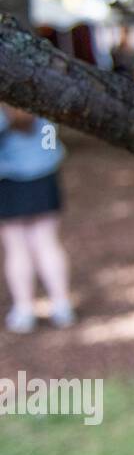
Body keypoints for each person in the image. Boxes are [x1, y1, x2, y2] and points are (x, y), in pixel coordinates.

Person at [0, 104, 74, 333]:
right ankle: (61, 304)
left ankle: (24, 310)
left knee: (16, 247)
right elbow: (51, 142)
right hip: (45, 178)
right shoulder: (41, 98)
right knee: (47, 242)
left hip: (9, 181)